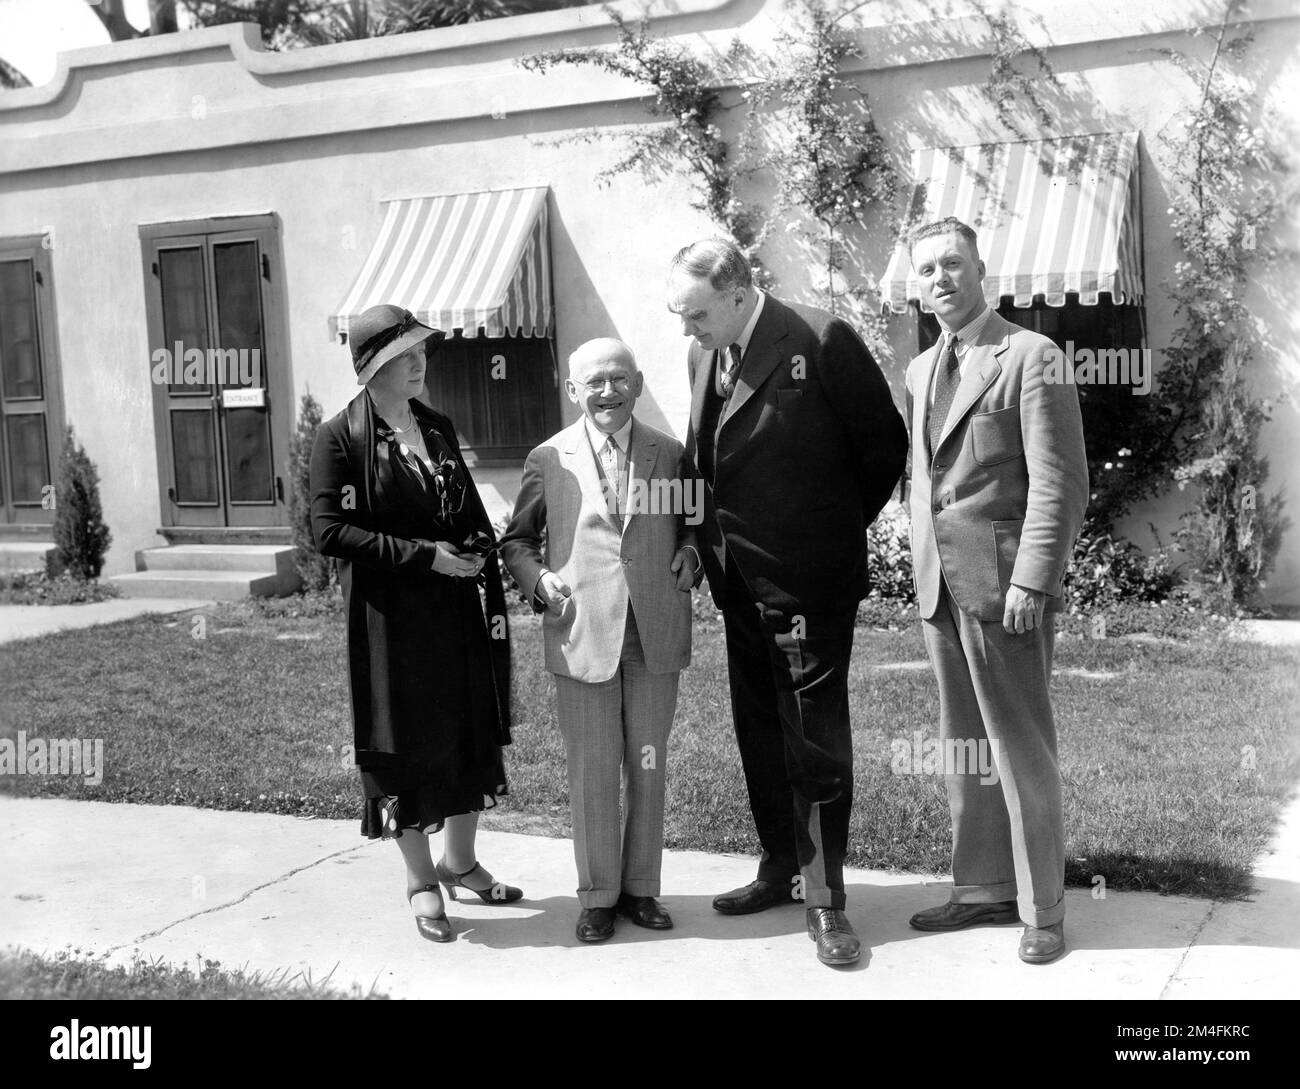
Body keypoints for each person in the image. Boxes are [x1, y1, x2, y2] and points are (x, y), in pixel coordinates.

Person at [667, 238, 908, 967]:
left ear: (738, 294)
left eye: (696, 314)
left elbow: (884, 445)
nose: (687, 329)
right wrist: (694, 537)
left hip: (809, 583)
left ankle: (826, 896)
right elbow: (700, 450)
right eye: (680, 317)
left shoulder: (819, 336)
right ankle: (780, 865)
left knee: (813, 735)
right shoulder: (703, 353)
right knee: (760, 729)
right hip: (736, 583)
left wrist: (827, 535)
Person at [902, 217, 1088, 965]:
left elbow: (1060, 481)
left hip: (1005, 586)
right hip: (939, 587)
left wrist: (1032, 579)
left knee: (1020, 747)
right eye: (927, 270)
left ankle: (1043, 909)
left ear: (982, 268)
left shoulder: (1032, 355)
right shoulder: (920, 369)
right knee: (964, 747)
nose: (941, 278)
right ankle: (980, 887)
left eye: (953, 263)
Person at [310, 303, 522, 944]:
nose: (420, 362)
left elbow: (460, 503)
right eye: (407, 354)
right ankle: (421, 880)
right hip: (391, 621)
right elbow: (328, 531)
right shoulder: (339, 437)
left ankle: (461, 864)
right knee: (402, 740)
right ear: (374, 365)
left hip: (455, 610)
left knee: (464, 730)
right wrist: (425, 556)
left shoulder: (434, 424)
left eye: (422, 351)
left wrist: (480, 544)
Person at [500, 338, 700, 943]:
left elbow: (693, 521)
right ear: (572, 391)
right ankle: (596, 897)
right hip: (581, 629)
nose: (607, 392)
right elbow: (516, 542)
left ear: (637, 384)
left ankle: (641, 889)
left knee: (648, 763)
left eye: (618, 379)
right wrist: (540, 580)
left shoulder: (668, 453)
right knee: (592, 769)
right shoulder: (547, 458)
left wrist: (691, 552)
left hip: (654, 630)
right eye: (594, 383)